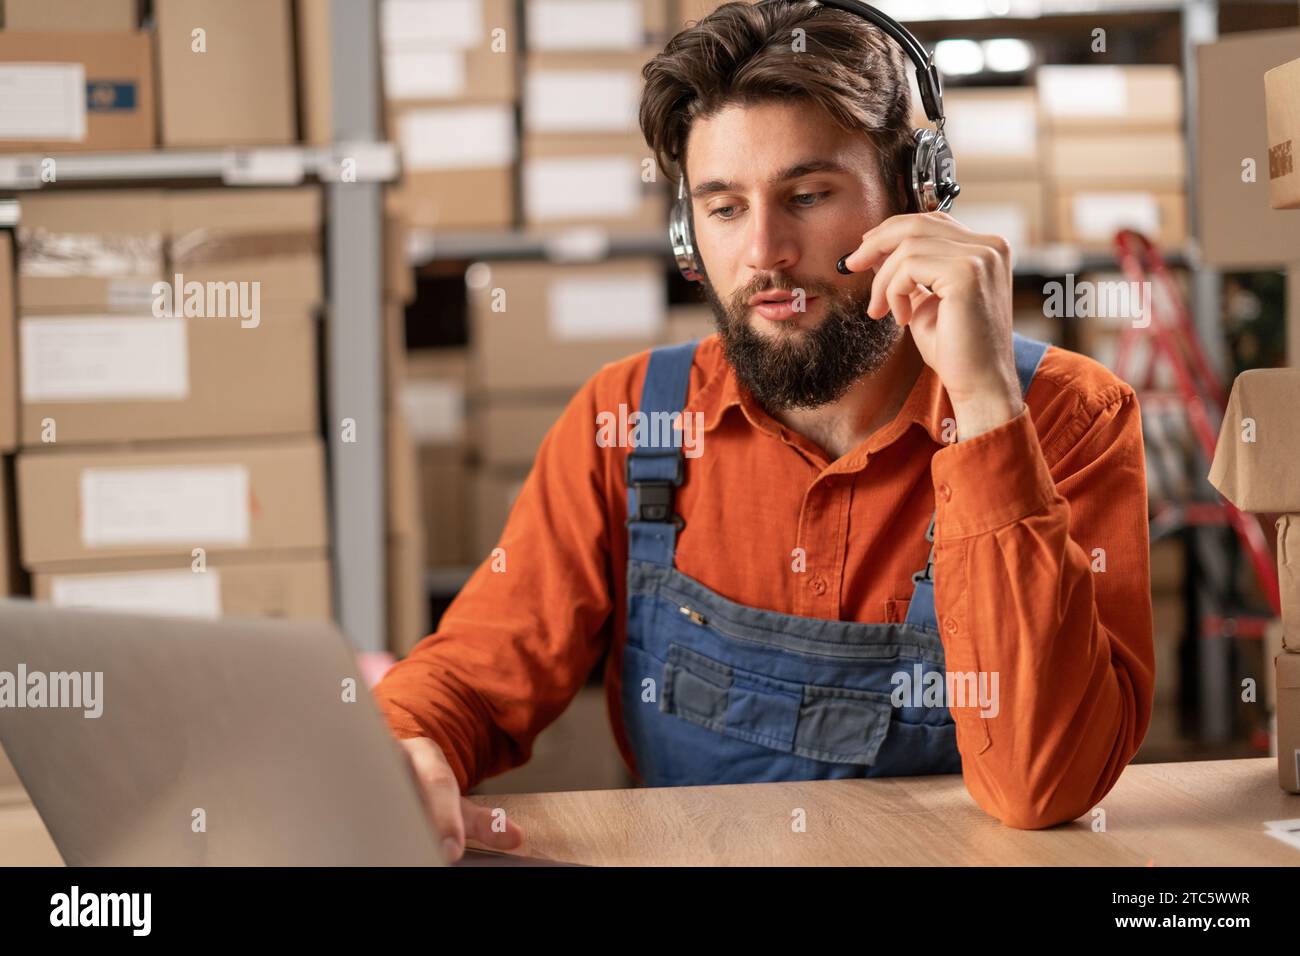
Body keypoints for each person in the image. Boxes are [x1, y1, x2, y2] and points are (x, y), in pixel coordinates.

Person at [374, 0, 1154, 863]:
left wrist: (984, 410)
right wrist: (408, 746)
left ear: (917, 196)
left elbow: (1044, 786)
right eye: (724, 208)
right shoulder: (629, 420)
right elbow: (476, 675)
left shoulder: (1067, 417)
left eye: (808, 195)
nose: (765, 252)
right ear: (686, 230)